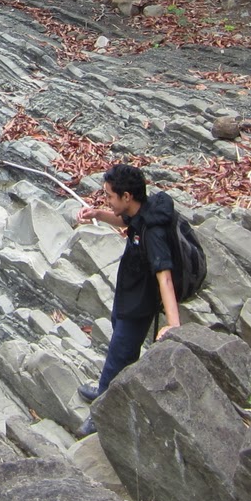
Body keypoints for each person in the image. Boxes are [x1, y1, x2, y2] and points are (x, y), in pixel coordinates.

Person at [73, 163, 182, 427]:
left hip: (139, 305)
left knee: (119, 356)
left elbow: (165, 277)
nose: (107, 200)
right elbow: (124, 220)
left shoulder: (153, 232)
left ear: (127, 196)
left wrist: (173, 325)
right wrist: (98, 213)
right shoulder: (139, 212)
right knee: (119, 353)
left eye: (110, 196)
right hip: (128, 294)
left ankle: (103, 413)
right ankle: (106, 391)